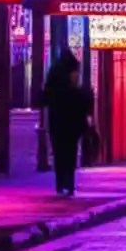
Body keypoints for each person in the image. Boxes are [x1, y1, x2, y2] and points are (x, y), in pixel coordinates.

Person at [41, 50, 94, 197]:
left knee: (59, 154)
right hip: (72, 128)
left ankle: (61, 184)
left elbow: (43, 100)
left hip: (57, 126)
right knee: (69, 155)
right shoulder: (76, 92)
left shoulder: (53, 90)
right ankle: (68, 183)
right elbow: (84, 108)